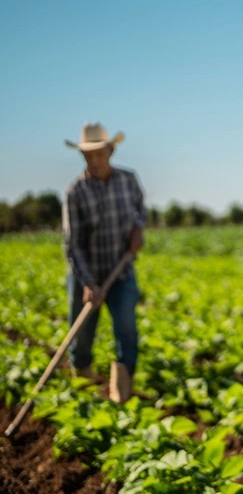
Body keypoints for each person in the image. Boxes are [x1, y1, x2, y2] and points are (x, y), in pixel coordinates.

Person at [63, 122, 146, 404]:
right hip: (87, 276)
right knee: (82, 338)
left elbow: (140, 210)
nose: (93, 160)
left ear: (110, 151)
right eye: (87, 155)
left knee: (126, 330)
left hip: (121, 273)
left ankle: (121, 395)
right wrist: (88, 283)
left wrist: (137, 230)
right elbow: (73, 244)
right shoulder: (75, 192)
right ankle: (83, 395)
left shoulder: (128, 180)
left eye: (98, 153)